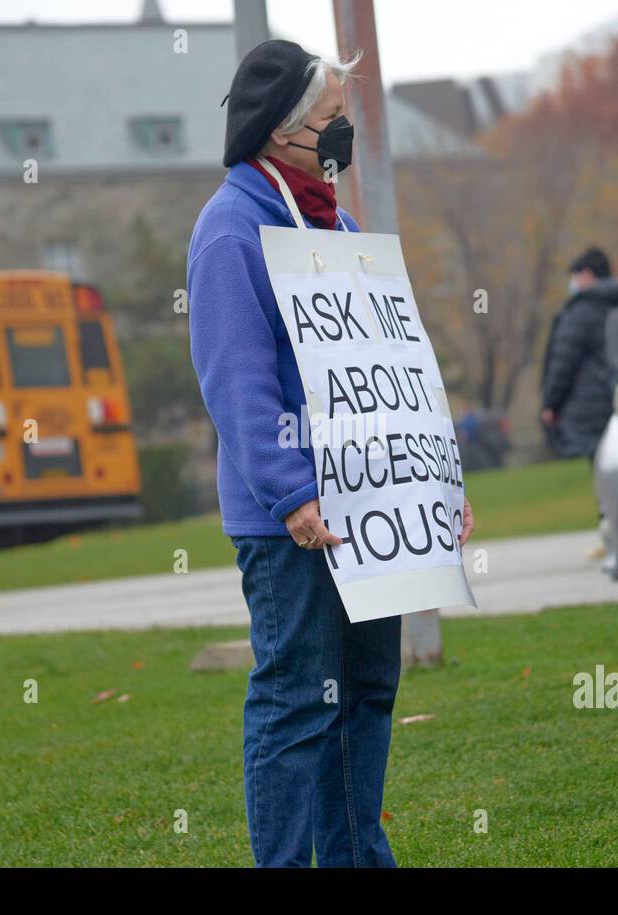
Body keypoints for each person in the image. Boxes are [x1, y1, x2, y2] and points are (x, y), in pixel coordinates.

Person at [186, 39, 474, 868]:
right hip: (295, 524)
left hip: (370, 505)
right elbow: (236, 382)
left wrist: (435, 476)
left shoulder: (337, 224)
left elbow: (394, 367)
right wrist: (289, 492)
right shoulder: (231, 230)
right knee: (295, 704)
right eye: (331, 121)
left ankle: (356, 857)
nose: (342, 135)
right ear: (281, 133)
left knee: (367, 694)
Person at [539, 246, 618, 467]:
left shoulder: (581, 311)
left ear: (588, 275)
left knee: (598, 468)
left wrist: (550, 404)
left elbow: (563, 362)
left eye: (575, 276)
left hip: (587, 412)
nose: (573, 283)